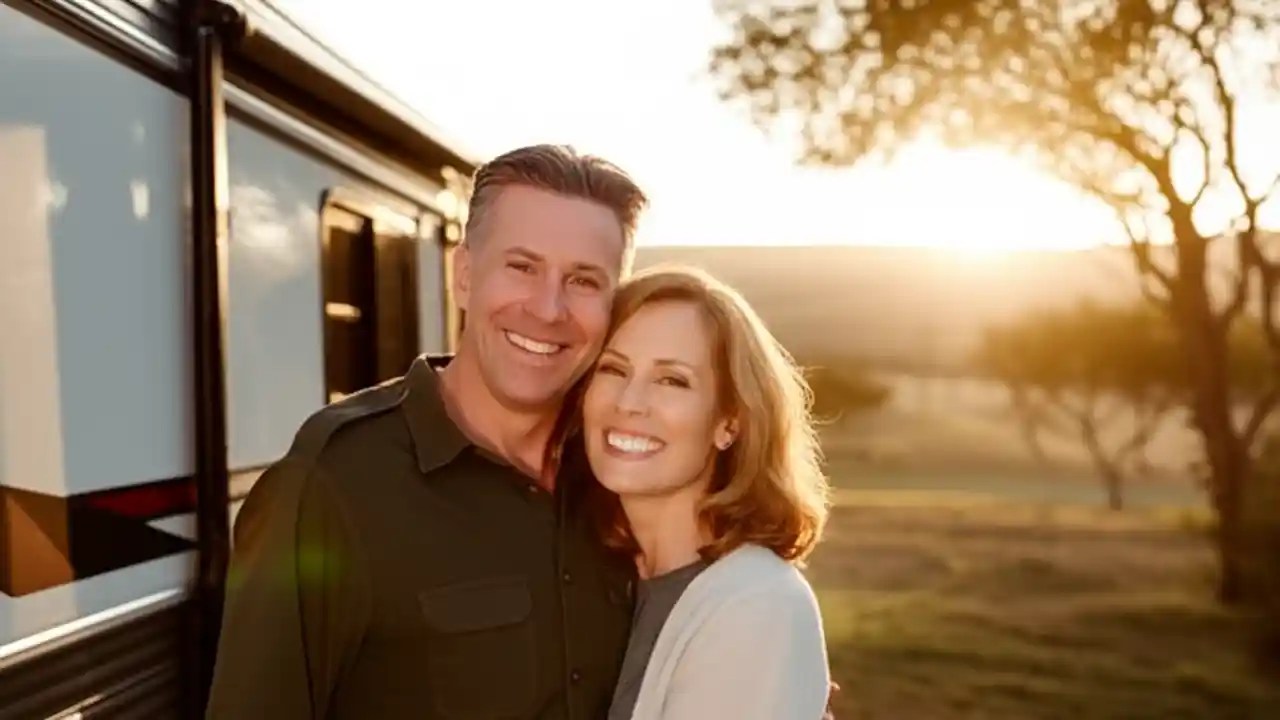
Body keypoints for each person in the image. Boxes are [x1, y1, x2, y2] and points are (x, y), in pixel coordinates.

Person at [204, 144, 650, 719]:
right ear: (464, 276)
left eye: (584, 280)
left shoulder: (623, 475)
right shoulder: (331, 484)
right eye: (522, 267)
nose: (548, 309)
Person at [568, 265, 833, 719]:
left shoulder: (756, 604)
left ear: (729, 422)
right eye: (613, 369)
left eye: (672, 380)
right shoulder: (606, 582)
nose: (628, 402)